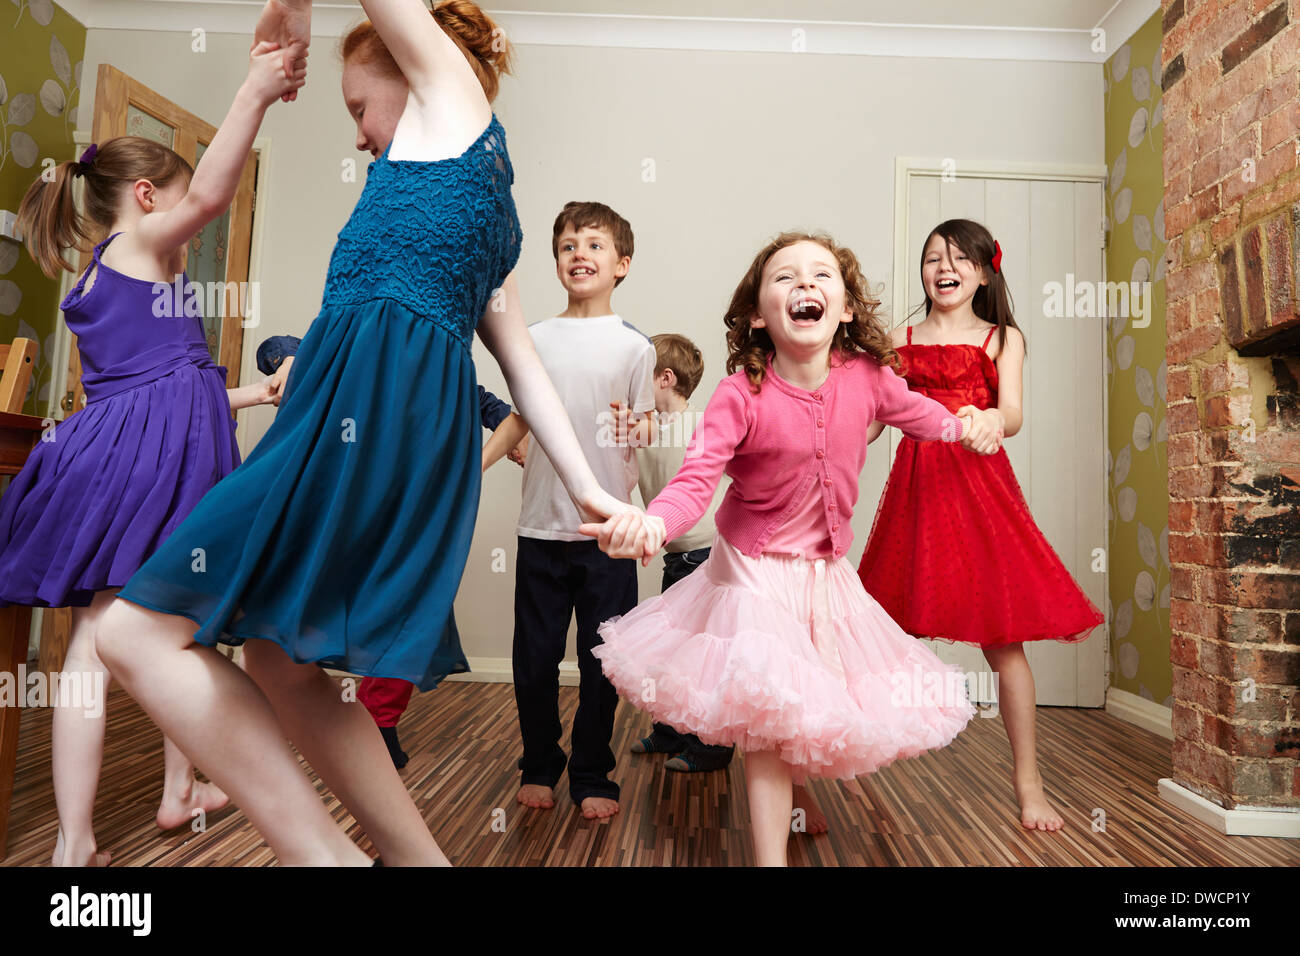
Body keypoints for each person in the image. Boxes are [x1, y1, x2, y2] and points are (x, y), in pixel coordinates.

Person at [95, 0, 637, 866]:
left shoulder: (452, 104)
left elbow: (519, 367)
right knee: (277, 662)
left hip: (372, 420)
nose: (357, 134)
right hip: (359, 419)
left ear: (413, 66)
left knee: (130, 632)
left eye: (357, 107)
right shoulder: (487, 207)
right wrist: (591, 490)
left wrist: (296, 14)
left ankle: (327, 860)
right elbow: (524, 366)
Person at [581, 232, 989, 865]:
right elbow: (695, 480)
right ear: (756, 314)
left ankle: (801, 796)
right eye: (785, 277)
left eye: (822, 275)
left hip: (823, 570)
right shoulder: (739, 392)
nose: (805, 284)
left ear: (846, 308)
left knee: (815, 690)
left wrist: (966, 425)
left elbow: (919, 413)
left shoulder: (869, 379)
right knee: (771, 714)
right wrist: (654, 524)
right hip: (750, 569)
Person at [0, 43, 302, 866]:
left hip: (109, 452)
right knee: (136, 633)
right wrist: (257, 91)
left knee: (145, 635)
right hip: (148, 467)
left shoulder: (103, 275)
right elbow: (209, 194)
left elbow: (164, 385)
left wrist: (252, 395)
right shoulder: (137, 250)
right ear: (144, 197)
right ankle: (86, 838)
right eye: (171, 203)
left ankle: (128, 815)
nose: (186, 218)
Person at [858, 218, 1104, 832]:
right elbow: (872, 419)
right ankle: (849, 774)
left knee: (1004, 641)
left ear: (984, 271)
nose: (944, 268)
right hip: (914, 493)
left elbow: (1014, 413)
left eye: (959, 259)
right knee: (872, 636)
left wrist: (991, 416)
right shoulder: (899, 337)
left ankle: (1030, 783)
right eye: (933, 258)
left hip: (978, 490)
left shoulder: (1003, 338)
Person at [256, 335, 525, 769]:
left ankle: (379, 723)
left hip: (411, 513)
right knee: (307, 599)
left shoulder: (450, 380)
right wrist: (287, 359)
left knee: (411, 611)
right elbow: (272, 346)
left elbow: (499, 411)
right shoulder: (354, 354)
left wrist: (510, 440)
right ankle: (293, 709)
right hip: (343, 506)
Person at [509, 201, 656, 821]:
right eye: (569, 245)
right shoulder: (531, 338)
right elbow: (522, 415)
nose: (580, 255)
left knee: (604, 663)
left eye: (594, 245)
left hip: (610, 535)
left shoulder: (634, 347)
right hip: (541, 527)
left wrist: (640, 425)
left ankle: (593, 771)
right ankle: (540, 764)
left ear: (621, 264)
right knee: (535, 661)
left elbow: (647, 425)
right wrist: (482, 459)